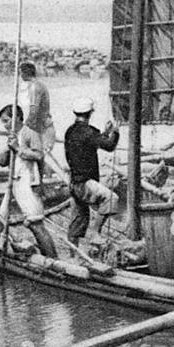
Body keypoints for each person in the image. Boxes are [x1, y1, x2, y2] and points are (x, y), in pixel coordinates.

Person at [0, 103, 58, 258]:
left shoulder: (30, 133)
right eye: (3, 122)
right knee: (4, 218)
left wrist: (18, 148)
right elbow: (3, 161)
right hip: (16, 183)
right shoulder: (13, 135)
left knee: (36, 224)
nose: (4, 125)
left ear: (16, 117)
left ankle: (52, 259)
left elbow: (39, 155)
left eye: (6, 121)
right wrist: (8, 150)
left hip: (29, 182)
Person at [63, 97, 120, 254]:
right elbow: (109, 146)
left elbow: (88, 142)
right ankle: (95, 233)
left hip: (74, 183)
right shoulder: (89, 132)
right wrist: (115, 132)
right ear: (90, 113)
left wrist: (105, 133)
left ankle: (72, 255)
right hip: (85, 183)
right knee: (111, 198)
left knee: (78, 222)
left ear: (76, 113)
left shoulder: (70, 131)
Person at [17, 62, 56, 155]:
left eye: (20, 73)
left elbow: (34, 109)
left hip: (43, 129)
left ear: (24, 73)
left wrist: (24, 128)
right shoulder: (39, 85)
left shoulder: (35, 86)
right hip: (44, 126)